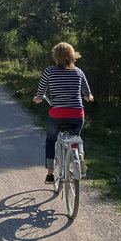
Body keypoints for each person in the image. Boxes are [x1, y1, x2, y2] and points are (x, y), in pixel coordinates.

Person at [33, 42, 93, 183]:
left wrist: (38, 99)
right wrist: (89, 97)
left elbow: (41, 93)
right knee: (76, 137)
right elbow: (87, 94)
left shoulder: (49, 71)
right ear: (72, 56)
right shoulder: (79, 72)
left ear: (56, 57)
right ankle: (79, 154)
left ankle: (50, 174)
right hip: (77, 114)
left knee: (51, 140)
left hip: (57, 114)